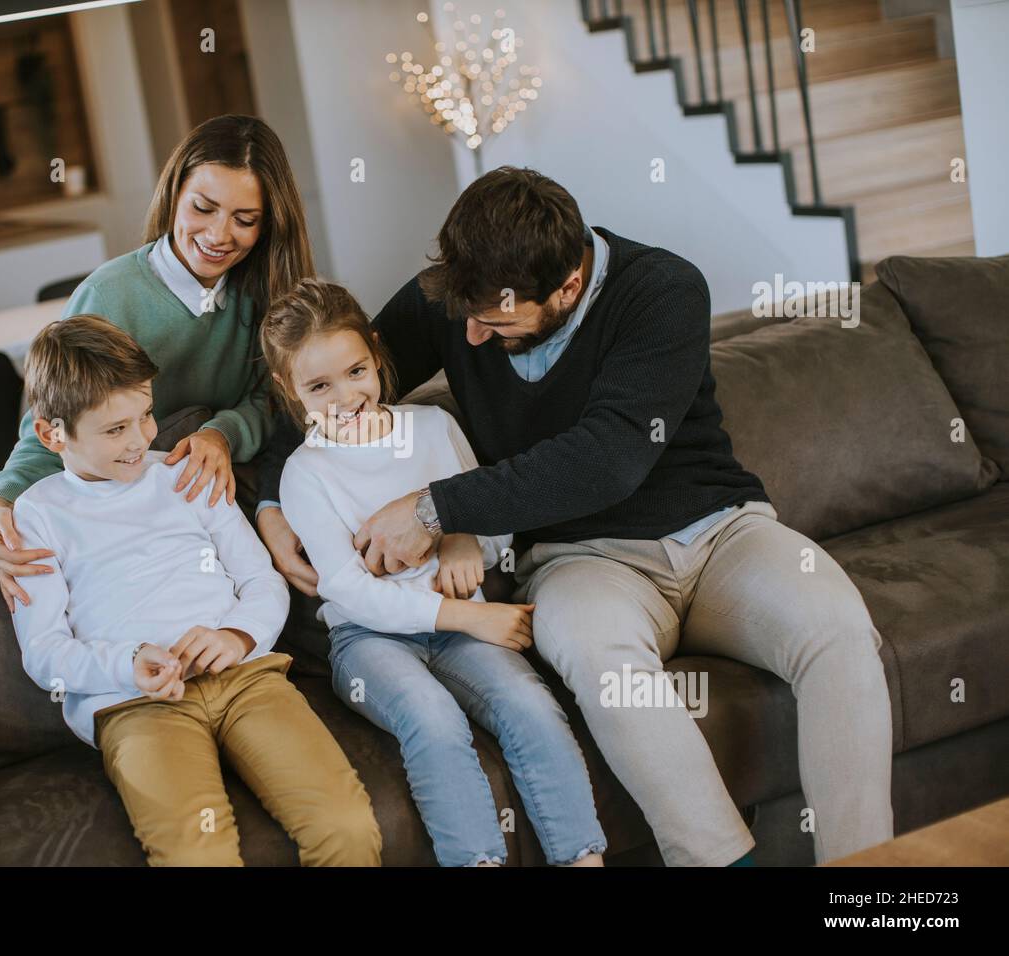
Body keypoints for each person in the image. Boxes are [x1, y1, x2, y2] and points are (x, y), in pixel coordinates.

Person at [254, 167, 893, 866]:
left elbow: (610, 458)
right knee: (600, 659)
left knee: (839, 633)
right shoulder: (459, 296)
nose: (467, 335)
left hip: (719, 533)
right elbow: (329, 382)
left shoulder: (662, 291)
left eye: (494, 324)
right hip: (580, 562)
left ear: (565, 291)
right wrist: (267, 500)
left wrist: (437, 509)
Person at [9, 314, 381, 866]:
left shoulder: (186, 474)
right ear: (51, 434)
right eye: (115, 430)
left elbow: (261, 581)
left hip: (246, 678)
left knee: (346, 827)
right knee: (195, 854)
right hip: (136, 705)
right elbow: (44, 654)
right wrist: (128, 663)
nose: (140, 441)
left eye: (145, 416)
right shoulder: (36, 516)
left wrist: (235, 635)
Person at [263, 278, 606, 867]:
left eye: (355, 372)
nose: (345, 398)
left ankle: (582, 858)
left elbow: (496, 522)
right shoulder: (304, 474)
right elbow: (348, 589)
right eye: (318, 387)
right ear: (288, 390)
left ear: (375, 353)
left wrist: (463, 539)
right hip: (368, 640)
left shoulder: (432, 427)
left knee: (529, 703)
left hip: (460, 630)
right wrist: (469, 614)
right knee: (433, 719)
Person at [0, 114, 315, 612]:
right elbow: (53, 421)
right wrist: (5, 499)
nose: (219, 235)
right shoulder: (109, 293)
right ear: (175, 193)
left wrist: (222, 433)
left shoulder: (262, 293)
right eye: (203, 208)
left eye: (245, 220)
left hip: (229, 497)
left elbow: (273, 401)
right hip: (141, 510)